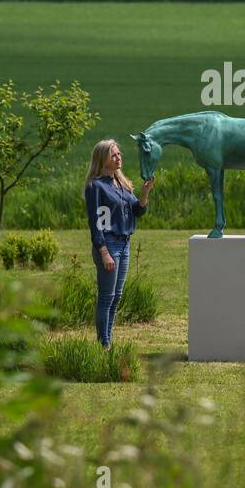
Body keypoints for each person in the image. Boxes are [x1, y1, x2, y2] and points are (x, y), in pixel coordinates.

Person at [84, 139, 154, 349]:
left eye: (119, 154)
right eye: (113, 154)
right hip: (109, 245)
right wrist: (103, 251)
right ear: (102, 159)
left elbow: (137, 211)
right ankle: (103, 345)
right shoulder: (95, 187)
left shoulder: (122, 184)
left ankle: (108, 340)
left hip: (124, 245)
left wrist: (144, 193)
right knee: (106, 298)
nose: (118, 157)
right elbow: (96, 224)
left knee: (116, 297)